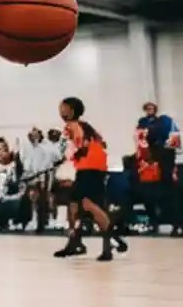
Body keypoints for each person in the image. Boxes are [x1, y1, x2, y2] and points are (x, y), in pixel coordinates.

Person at [53, 97, 129, 261]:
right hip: (91, 169)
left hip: (90, 170)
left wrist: (77, 151)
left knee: (90, 206)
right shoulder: (87, 127)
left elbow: (81, 143)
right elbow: (103, 145)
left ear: (72, 111)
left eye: (64, 108)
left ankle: (108, 245)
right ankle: (75, 243)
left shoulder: (72, 126)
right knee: (74, 206)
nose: (61, 111)